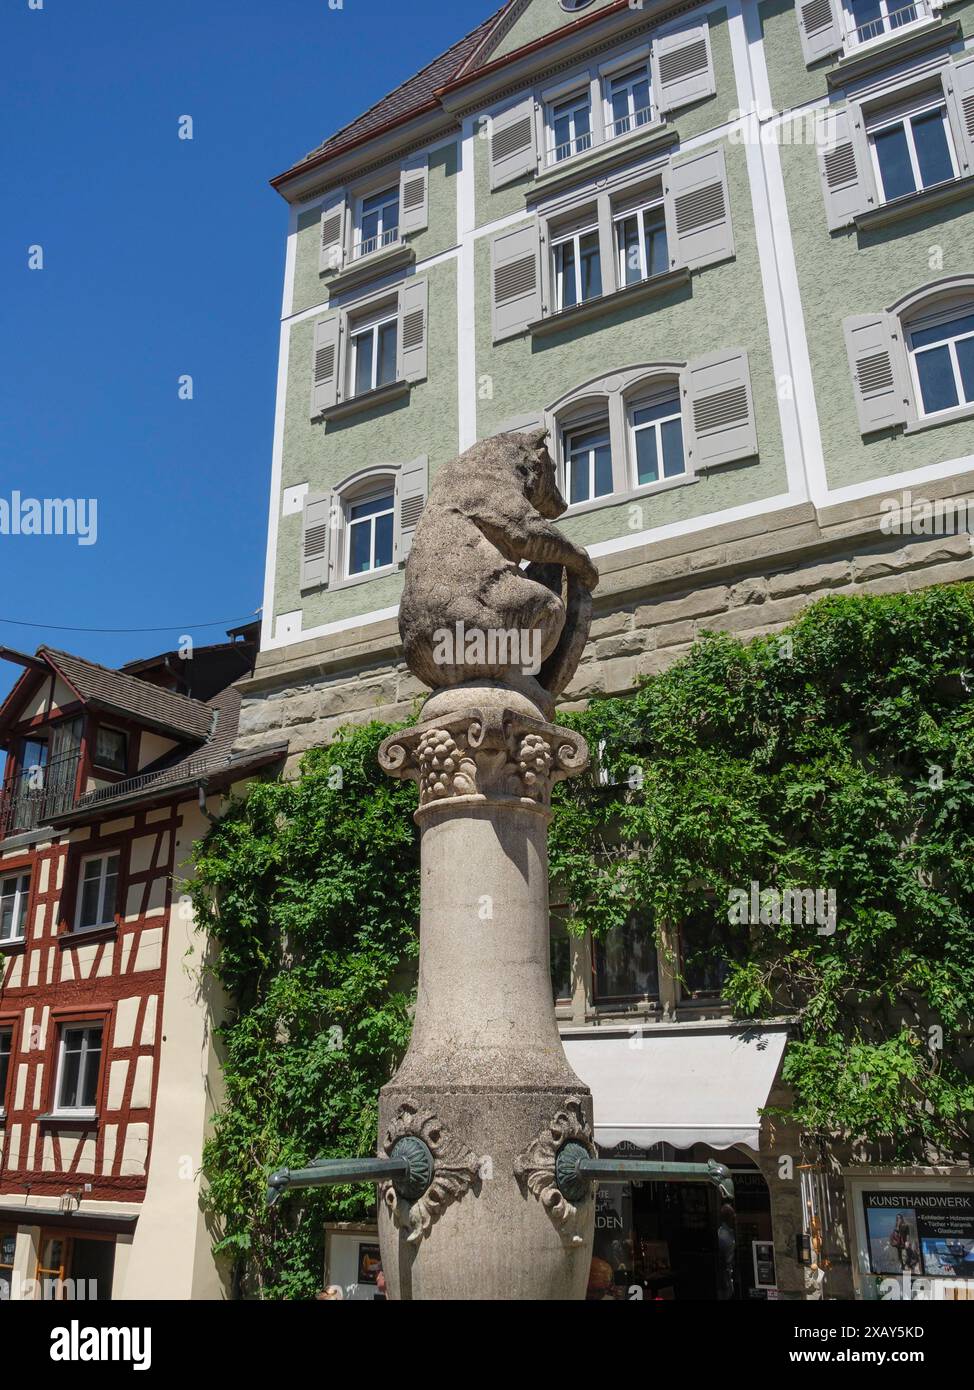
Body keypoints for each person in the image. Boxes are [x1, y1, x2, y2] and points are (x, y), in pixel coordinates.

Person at [716, 1203, 737, 1300]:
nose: (735, 1219)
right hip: (725, 1275)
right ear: (728, 1218)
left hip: (728, 1274)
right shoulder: (723, 1237)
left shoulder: (725, 1232)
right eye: (733, 1216)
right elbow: (720, 1261)